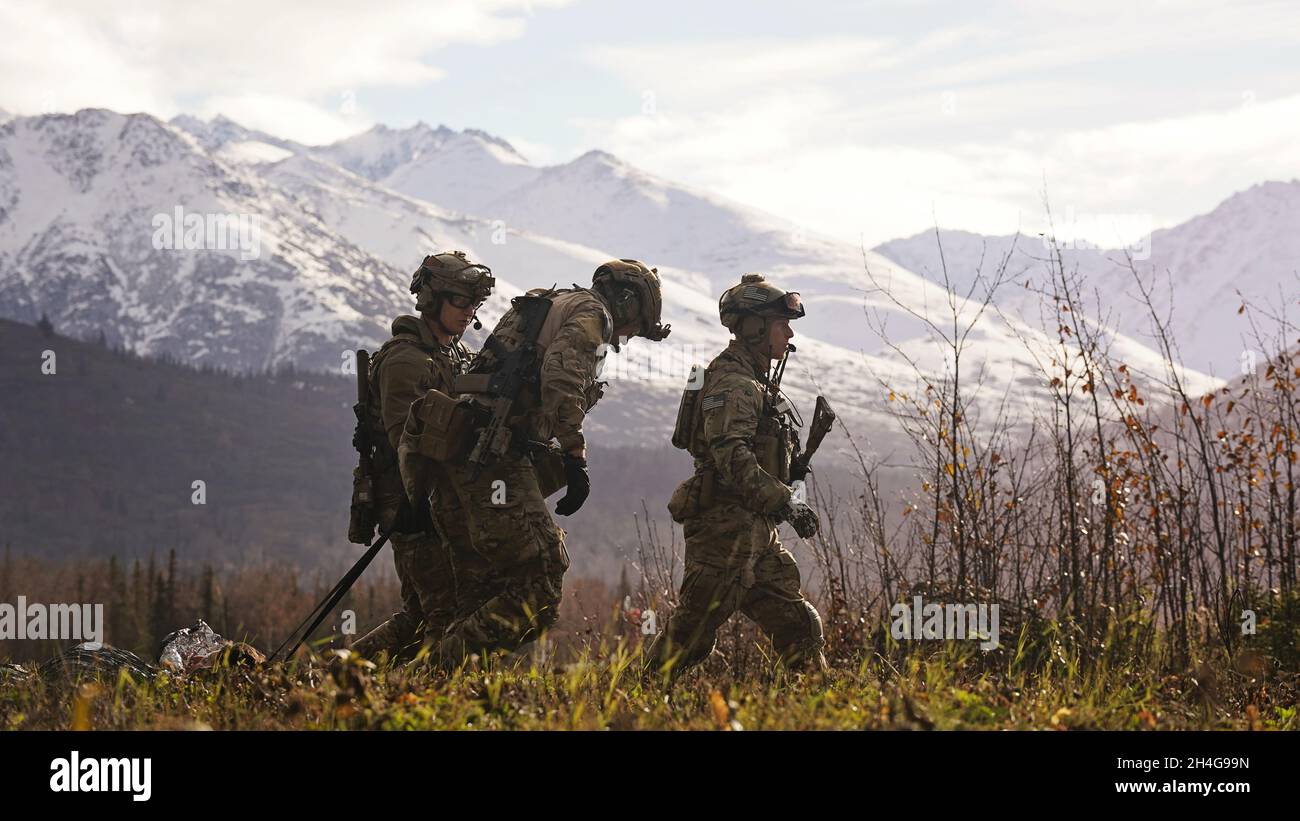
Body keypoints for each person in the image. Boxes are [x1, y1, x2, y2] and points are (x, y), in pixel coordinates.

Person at [424, 259, 671, 667]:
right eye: (635, 326)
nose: (626, 337)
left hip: (460, 456)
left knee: (479, 588)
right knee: (541, 579)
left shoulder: (547, 303)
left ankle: (442, 691)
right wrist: (575, 455)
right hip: (498, 456)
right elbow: (562, 381)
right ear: (627, 303)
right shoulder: (594, 315)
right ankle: (440, 667)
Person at [644, 273, 826, 680]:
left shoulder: (755, 381)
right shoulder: (735, 383)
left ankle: (818, 707)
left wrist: (788, 472)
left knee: (800, 626)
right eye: (782, 324)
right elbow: (733, 459)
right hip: (724, 531)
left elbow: (754, 453)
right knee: (689, 636)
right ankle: (623, 703)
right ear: (756, 328)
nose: (789, 333)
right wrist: (788, 502)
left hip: (756, 531)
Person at [348, 251, 494, 661]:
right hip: (411, 502)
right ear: (432, 300)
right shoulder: (406, 359)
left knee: (418, 615)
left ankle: (334, 678)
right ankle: (425, 699)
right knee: (444, 614)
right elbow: (406, 442)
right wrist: (416, 504)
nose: (470, 312)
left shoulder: (452, 354)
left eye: (475, 304)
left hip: (440, 501)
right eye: (460, 302)